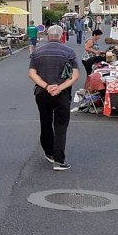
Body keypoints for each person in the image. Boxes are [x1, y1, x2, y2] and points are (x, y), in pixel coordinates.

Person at [27, 25, 79, 171]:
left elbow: (31, 73)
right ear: (62, 35)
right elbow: (75, 75)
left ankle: (48, 152)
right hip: (62, 93)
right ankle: (59, 159)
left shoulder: (38, 52)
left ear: (47, 35)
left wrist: (46, 86)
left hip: (42, 93)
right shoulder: (69, 52)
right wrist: (59, 87)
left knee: (45, 122)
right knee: (61, 125)